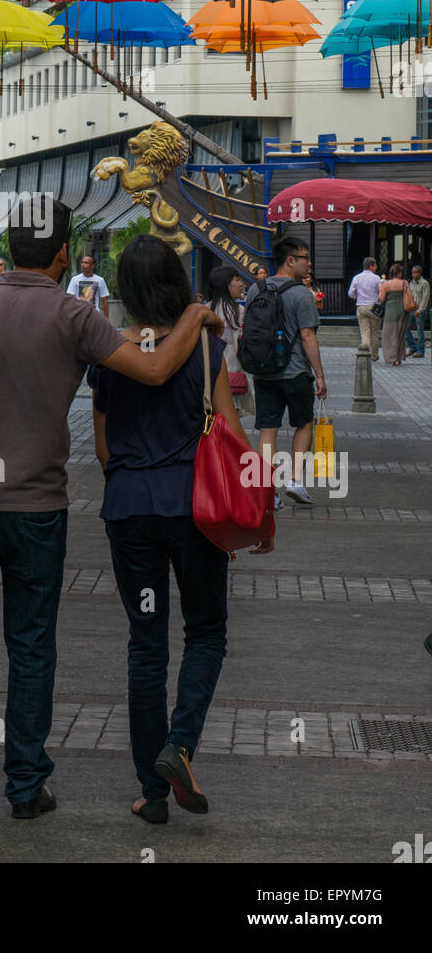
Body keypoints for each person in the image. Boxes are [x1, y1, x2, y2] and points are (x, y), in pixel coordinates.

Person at [0, 196, 223, 842]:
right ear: (60, 255)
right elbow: (157, 365)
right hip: (36, 510)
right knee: (29, 648)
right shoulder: (73, 315)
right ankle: (25, 786)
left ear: (8, 247)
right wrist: (195, 314)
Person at [90, 237, 270, 826]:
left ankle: (152, 792)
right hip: (194, 511)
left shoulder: (110, 351)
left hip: (129, 510)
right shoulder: (206, 351)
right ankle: (181, 745)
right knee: (207, 633)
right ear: (175, 282)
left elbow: (102, 447)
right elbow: (237, 440)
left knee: (146, 646)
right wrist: (256, 515)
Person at [253, 236, 326, 507]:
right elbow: (307, 336)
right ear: (290, 260)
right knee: (304, 423)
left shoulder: (255, 289)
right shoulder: (301, 294)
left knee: (267, 430)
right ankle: (295, 480)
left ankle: (266, 492)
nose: (309, 263)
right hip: (296, 373)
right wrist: (319, 374)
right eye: (305, 257)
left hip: (263, 372)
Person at [207, 264, 254, 416]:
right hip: (234, 375)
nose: (241, 284)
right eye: (236, 280)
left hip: (209, 376)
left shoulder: (206, 311)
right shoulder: (240, 312)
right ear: (225, 285)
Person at [348, 257, 381, 361]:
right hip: (373, 306)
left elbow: (350, 293)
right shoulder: (376, 278)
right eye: (375, 265)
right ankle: (374, 355)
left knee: (365, 331)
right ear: (371, 266)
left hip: (361, 306)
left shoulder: (357, 278)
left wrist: (358, 297)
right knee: (375, 332)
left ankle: (365, 353)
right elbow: (381, 292)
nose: (376, 267)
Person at [379, 262, 411, 366]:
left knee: (389, 335)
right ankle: (399, 357)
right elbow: (409, 297)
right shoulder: (404, 283)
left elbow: (381, 299)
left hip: (390, 312)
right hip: (403, 312)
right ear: (399, 273)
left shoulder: (386, 284)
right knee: (400, 335)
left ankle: (392, 358)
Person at [406, 264, 430, 359]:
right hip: (412, 309)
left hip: (420, 310)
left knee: (420, 331)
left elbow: (425, 299)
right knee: (406, 328)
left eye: (416, 273)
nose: (414, 275)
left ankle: (421, 351)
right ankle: (413, 347)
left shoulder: (424, 283)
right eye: (412, 273)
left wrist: (420, 310)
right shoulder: (411, 283)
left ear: (420, 273)